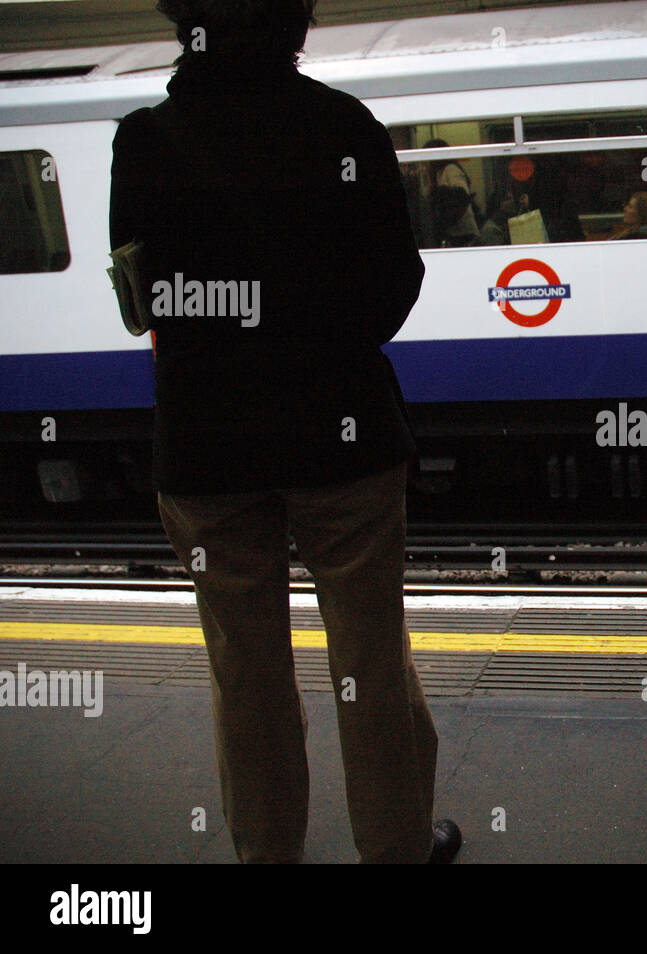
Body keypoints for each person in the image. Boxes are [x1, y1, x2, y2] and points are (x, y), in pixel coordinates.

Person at [109, 0, 461, 864]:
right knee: (371, 662)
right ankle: (397, 848)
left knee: (247, 677)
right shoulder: (344, 127)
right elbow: (395, 285)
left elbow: (142, 301)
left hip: (206, 447)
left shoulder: (144, 141)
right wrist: (319, 337)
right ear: (295, 20)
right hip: (340, 441)